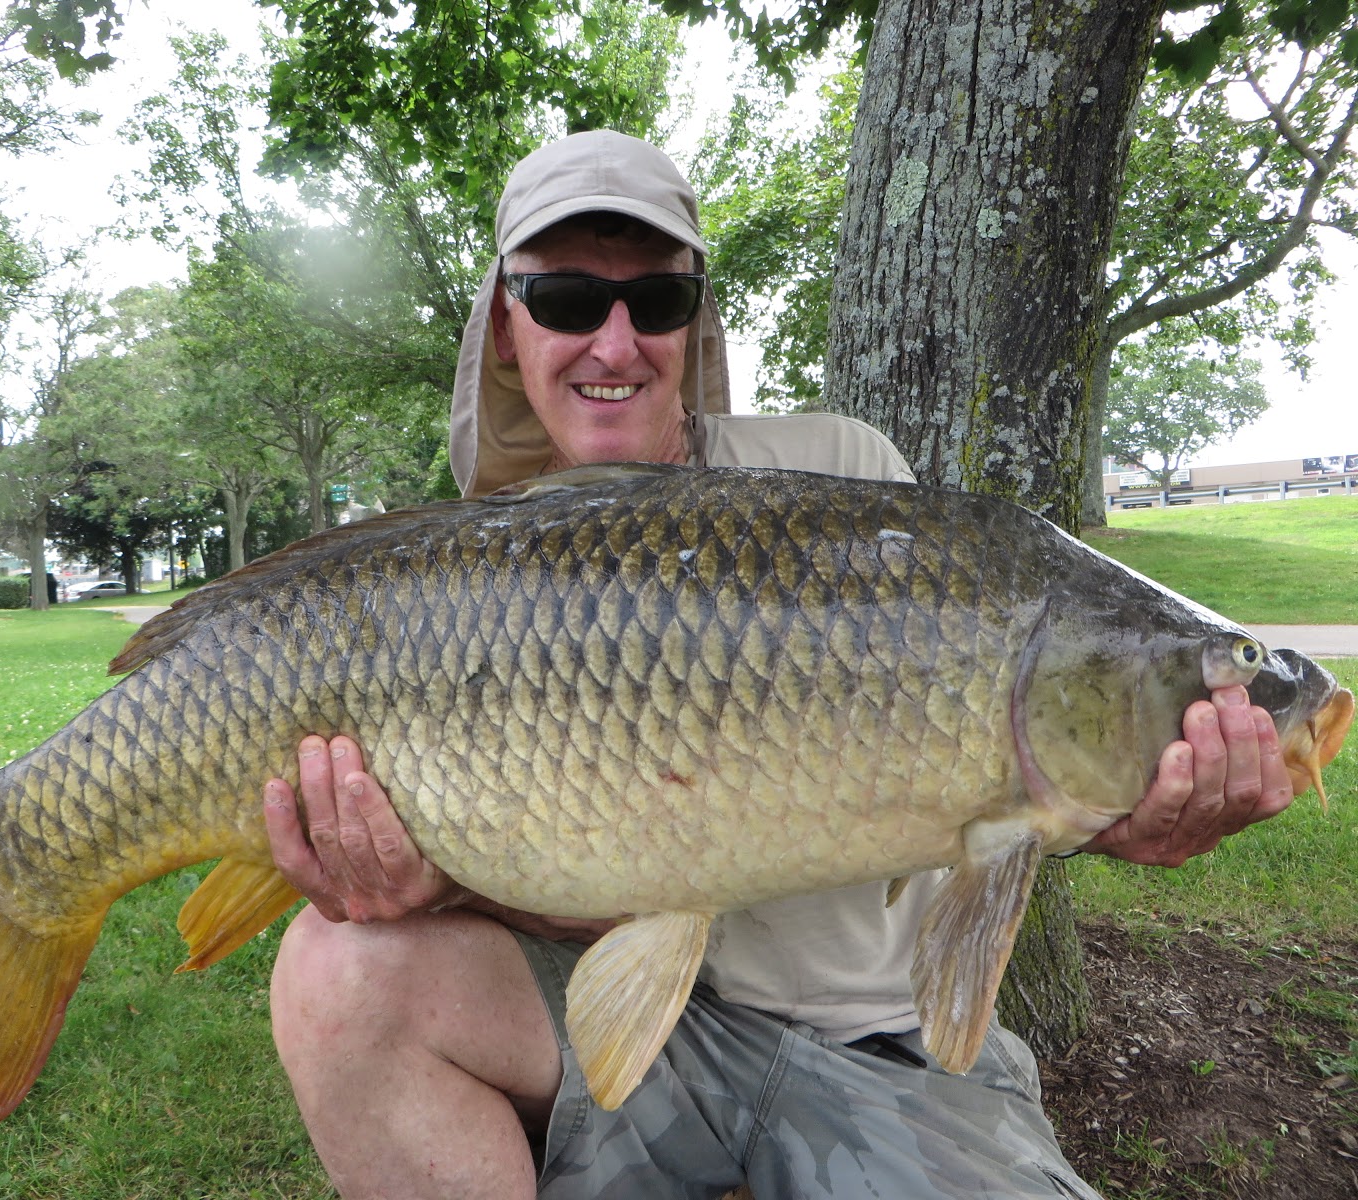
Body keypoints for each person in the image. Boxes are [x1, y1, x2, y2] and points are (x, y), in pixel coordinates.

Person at [261, 131, 1294, 1200]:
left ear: (694, 323)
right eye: (566, 298)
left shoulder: (849, 480)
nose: (614, 345)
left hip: (877, 1047)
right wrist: (427, 885)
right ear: (505, 330)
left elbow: (1000, 792)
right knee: (337, 972)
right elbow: (573, 880)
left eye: (655, 303)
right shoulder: (479, 581)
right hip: (642, 1035)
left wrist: (1117, 809)